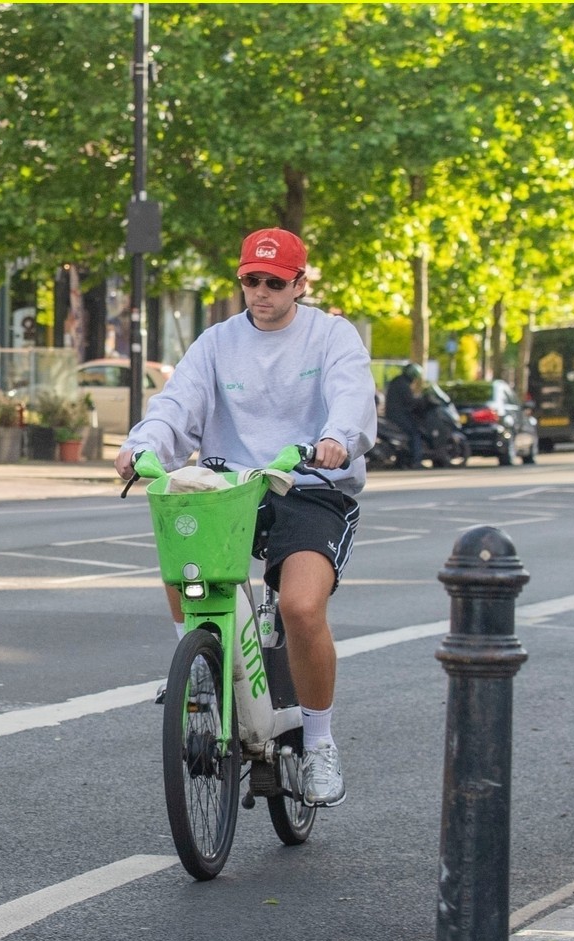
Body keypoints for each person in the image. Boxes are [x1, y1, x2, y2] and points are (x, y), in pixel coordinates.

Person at [116, 227, 377, 808]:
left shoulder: (332, 337)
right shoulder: (216, 342)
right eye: (250, 281)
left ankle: (318, 742)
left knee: (301, 607)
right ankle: (200, 667)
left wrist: (336, 439)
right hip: (231, 485)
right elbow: (177, 405)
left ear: (299, 284)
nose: (260, 293)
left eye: (274, 282)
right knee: (178, 545)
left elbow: (352, 396)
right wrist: (144, 446)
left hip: (309, 485)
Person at [385, 363, 425, 468]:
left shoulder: (397, 381)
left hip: (392, 415)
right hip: (399, 416)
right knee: (415, 433)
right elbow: (409, 401)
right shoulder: (403, 385)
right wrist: (420, 401)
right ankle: (416, 460)